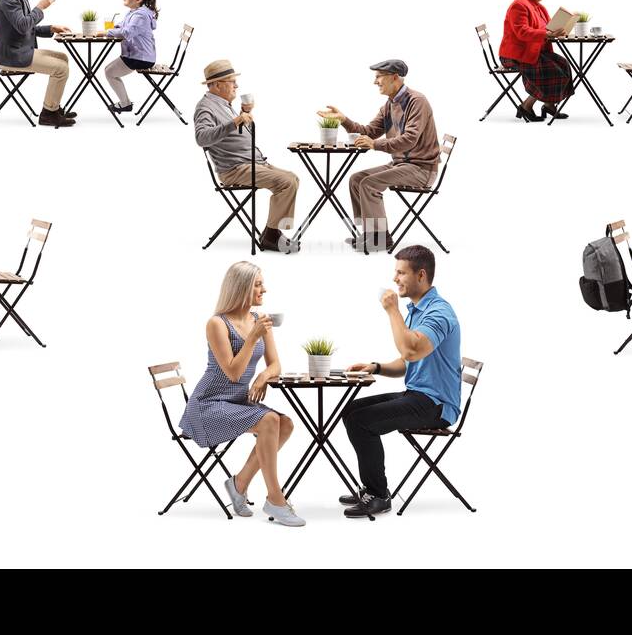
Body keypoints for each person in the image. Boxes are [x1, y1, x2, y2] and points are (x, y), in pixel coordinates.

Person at [178, 262, 303, 526]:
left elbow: (275, 364)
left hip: (236, 401)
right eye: (258, 284)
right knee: (270, 421)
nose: (264, 290)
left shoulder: (259, 320)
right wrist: (252, 338)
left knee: (286, 424)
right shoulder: (216, 324)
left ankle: (239, 484)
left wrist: (263, 376)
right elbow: (233, 373)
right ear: (242, 288)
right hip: (207, 406)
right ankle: (275, 500)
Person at [340, 245, 460, 519]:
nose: (395, 279)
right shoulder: (419, 310)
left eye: (400, 273)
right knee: (350, 411)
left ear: (421, 275)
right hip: (418, 395)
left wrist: (392, 311)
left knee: (362, 421)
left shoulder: (439, 313)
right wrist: (377, 367)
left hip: (437, 406)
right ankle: (371, 488)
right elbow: (407, 362)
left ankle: (379, 496)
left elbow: (411, 350)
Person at [317, 60, 441, 252]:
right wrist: (343, 120)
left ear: (394, 77)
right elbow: (369, 131)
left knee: (369, 184)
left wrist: (374, 145)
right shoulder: (389, 104)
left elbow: (409, 139)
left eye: (378, 77)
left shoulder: (417, 101)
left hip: (421, 168)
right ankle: (370, 234)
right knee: (356, 179)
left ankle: (381, 238)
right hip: (402, 165)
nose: (375, 82)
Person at [194, 60, 300, 252]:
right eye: (232, 82)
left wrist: (244, 113)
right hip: (234, 170)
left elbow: (236, 134)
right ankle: (271, 235)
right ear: (217, 85)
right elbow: (202, 138)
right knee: (287, 182)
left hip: (253, 163)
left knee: (292, 178)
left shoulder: (225, 105)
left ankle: (272, 232)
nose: (236, 86)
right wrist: (236, 121)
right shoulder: (205, 107)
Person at [0, 0, 75, 127]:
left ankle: (54, 107)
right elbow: (23, 26)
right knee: (60, 68)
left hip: (19, 50)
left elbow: (26, 27)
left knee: (63, 59)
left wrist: (51, 28)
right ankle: (48, 114)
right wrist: (41, 6)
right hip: (12, 56)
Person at [499, 0, 575, 122]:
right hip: (514, 55)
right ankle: (526, 106)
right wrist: (547, 34)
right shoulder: (519, 5)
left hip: (533, 51)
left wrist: (558, 30)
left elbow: (547, 28)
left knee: (563, 64)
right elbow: (522, 32)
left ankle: (549, 105)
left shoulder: (540, 7)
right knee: (551, 69)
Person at [103, 0, 158, 115]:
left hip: (140, 58)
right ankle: (125, 103)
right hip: (137, 55)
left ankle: (125, 104)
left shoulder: (140, 15)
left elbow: (127, 32)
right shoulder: (134, 12)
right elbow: (123, 25)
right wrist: (114, 28)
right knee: (109, 70)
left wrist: (105, 32)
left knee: (109, 72)